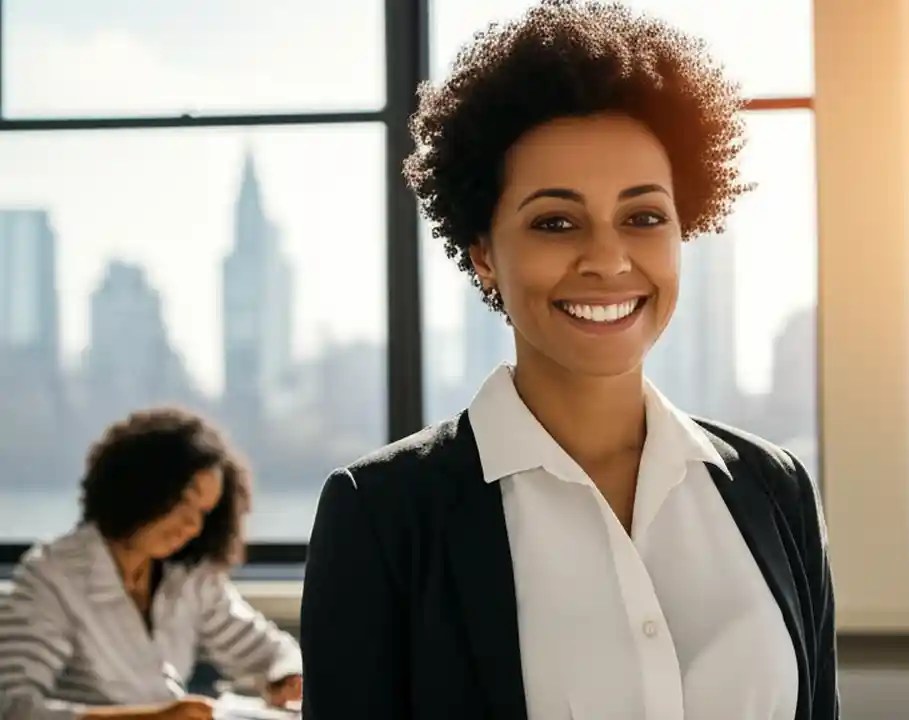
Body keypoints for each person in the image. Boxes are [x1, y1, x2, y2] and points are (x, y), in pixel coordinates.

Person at [300, 1, 837, 718]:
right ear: (484, 253)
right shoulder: (384, 516)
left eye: (644, 217)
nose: (608, 260)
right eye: (556, 222)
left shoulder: (775, 491)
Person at [0, 408, 302, 720]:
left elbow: (269, 651)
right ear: (140, 487)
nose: (193, 526)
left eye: (204, 513)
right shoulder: (52, 576)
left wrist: (287, 678)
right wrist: (151, 718)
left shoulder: (187, 576)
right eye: (184, 502)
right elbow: (13, 708)